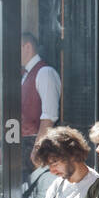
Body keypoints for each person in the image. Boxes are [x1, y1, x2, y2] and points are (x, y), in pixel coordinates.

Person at [19, 31, 61, 183]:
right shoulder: (25, 75)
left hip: (36, 147)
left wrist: (38, 150)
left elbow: (48, 116)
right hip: (22, 148)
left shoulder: (45, 73)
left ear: (27, 47)